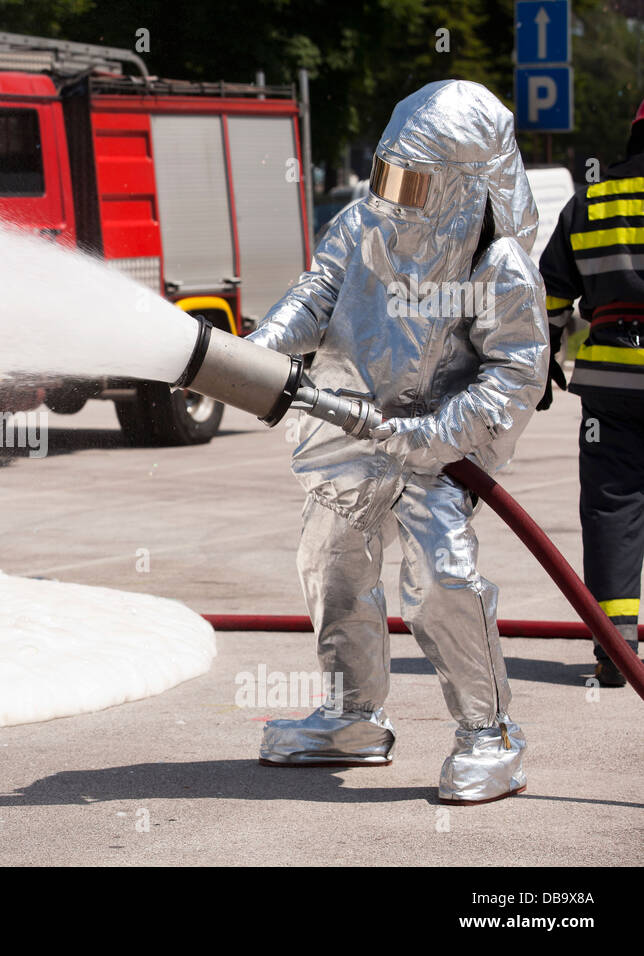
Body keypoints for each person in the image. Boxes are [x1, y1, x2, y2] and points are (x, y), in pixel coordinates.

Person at [246, 80, 548, 804]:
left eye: (415, 178)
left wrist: (433, 435)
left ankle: (490, 735)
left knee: (443, 583)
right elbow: (318, 294)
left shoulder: (498, 264)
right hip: (348, 433)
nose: (394, 193)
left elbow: (514, 376)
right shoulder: (362, 224)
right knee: (332, 568)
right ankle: (352, 718)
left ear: (465, 184)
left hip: (438, 452)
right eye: (388, 171)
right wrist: (258, 351)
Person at [537, 102, 644, 689]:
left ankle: (614, 650)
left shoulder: (592, 201)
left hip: (612, 385)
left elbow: (549, 294)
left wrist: (542, 362)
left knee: (612, 510)